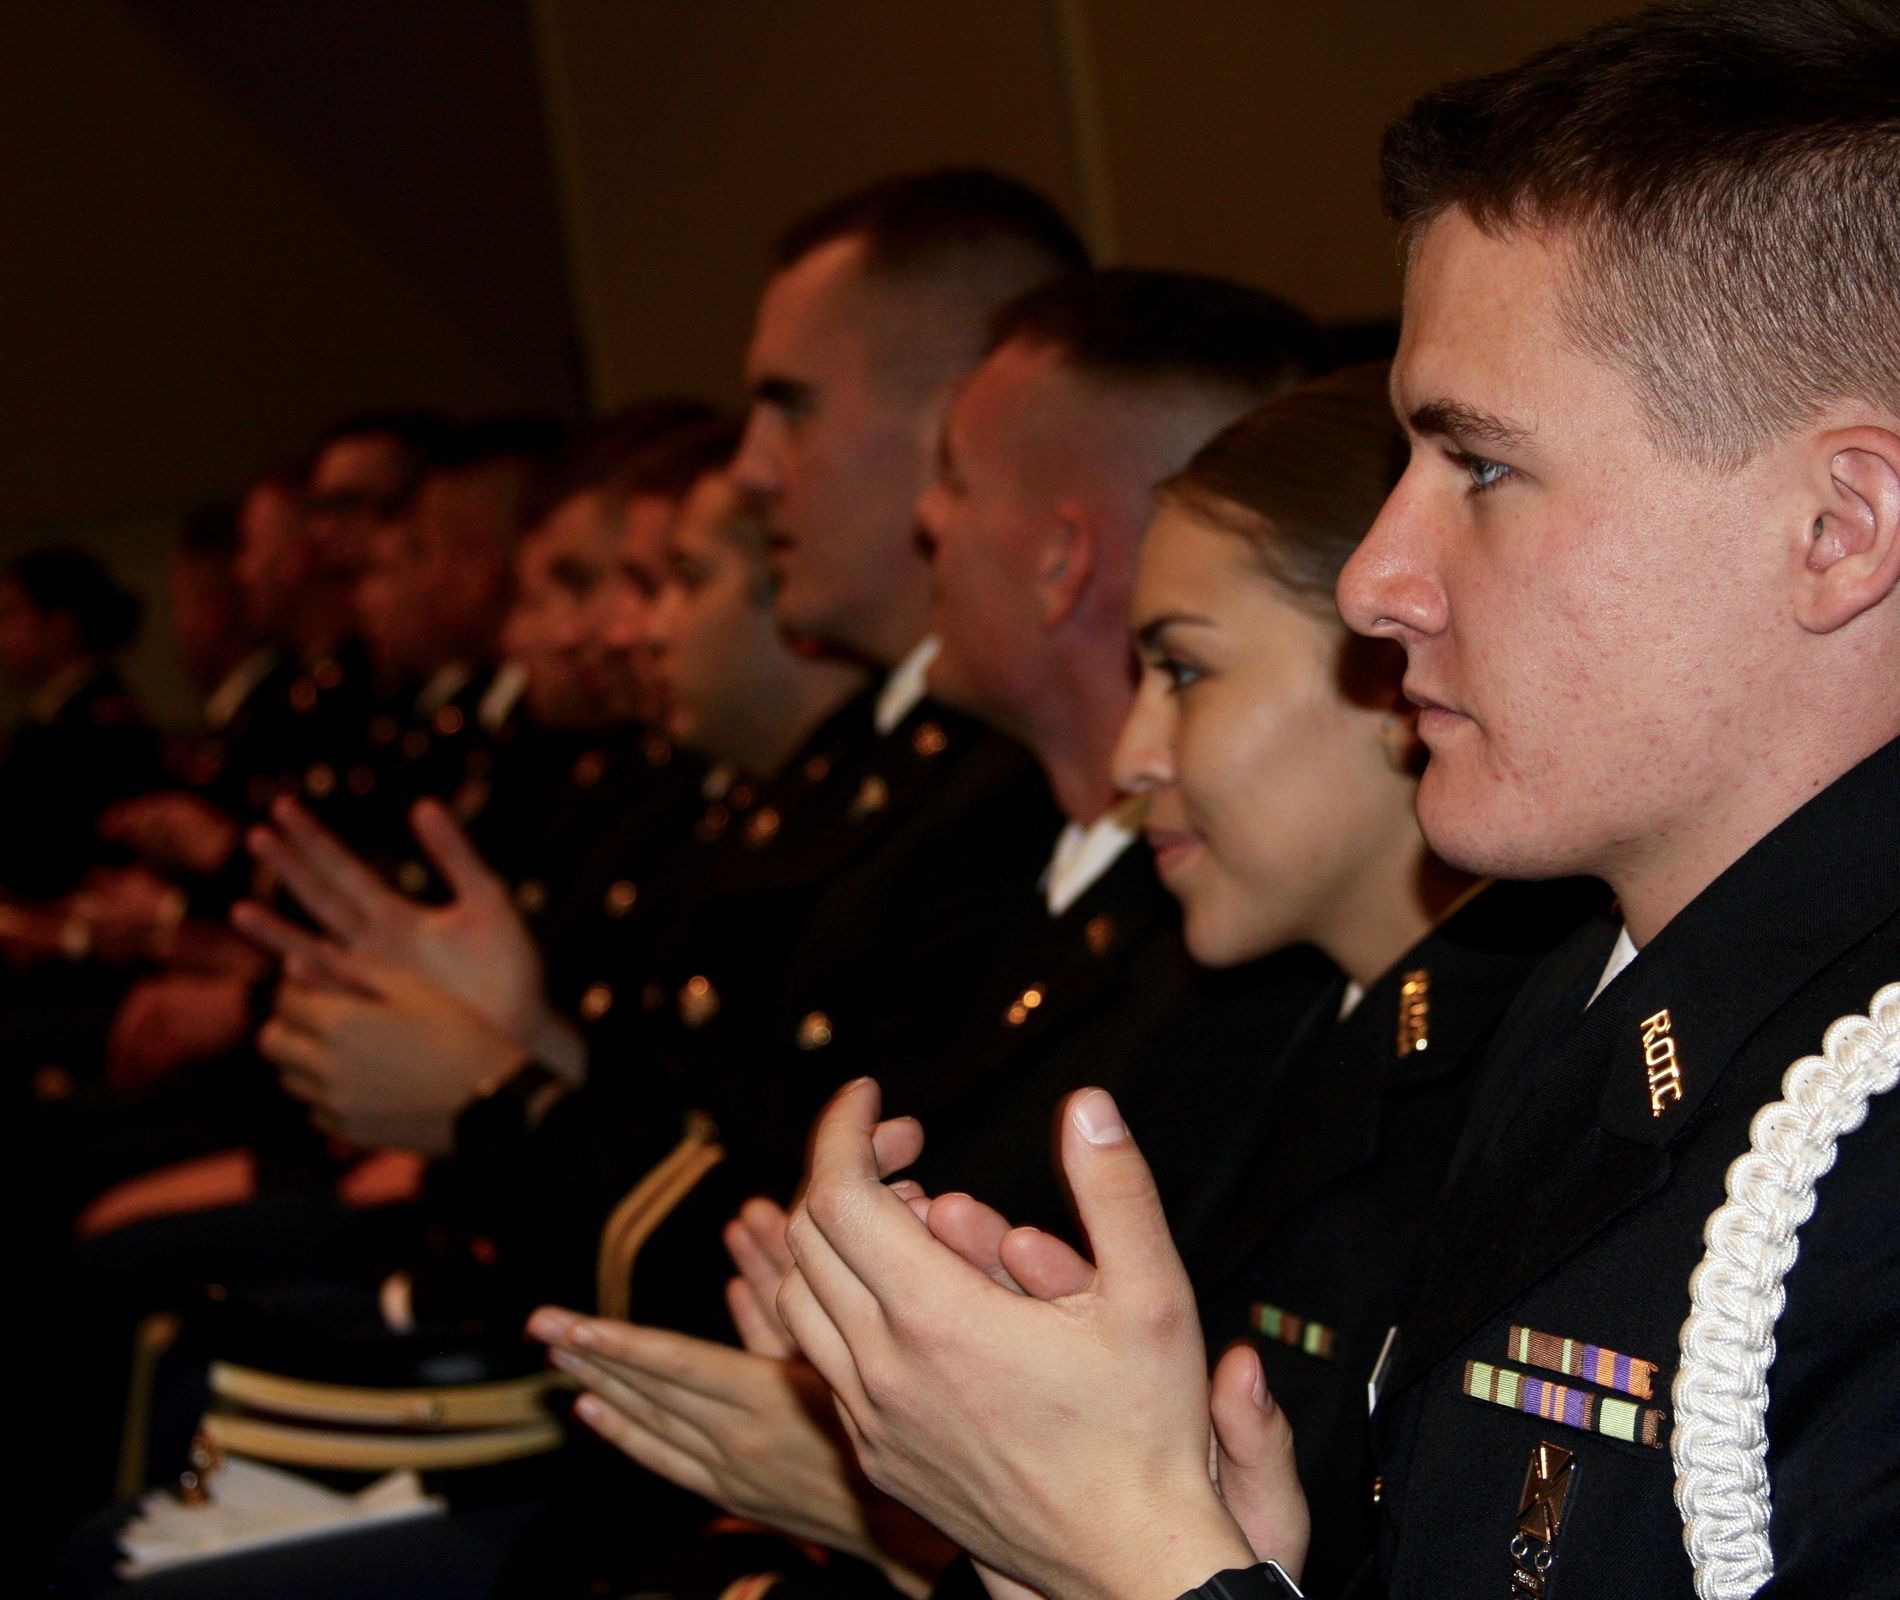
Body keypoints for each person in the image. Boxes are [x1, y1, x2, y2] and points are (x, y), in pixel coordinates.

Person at [767, 4, 1900, 1598]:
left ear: (1838, 528)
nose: (1376, 581)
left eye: (1481, 469)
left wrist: (1140, 1560)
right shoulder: (1571, 993)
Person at [532, 367, 1597, 1598]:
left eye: (1184, 671)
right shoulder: (1341, 1033)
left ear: (1387, 684)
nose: (1134, 754)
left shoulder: (1504, 1074)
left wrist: (934, 1519)